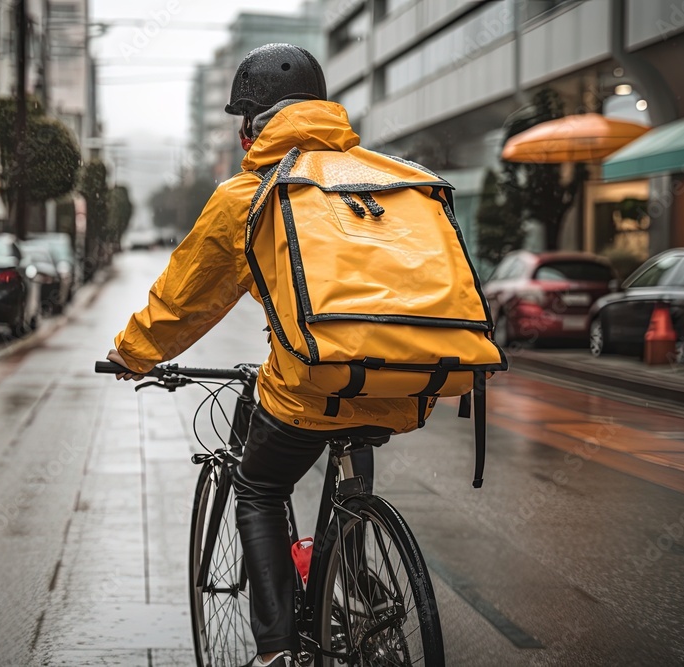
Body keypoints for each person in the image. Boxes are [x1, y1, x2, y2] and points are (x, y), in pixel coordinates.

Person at [107, 43, 438, 667]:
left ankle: (277, 652)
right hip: (404, 380)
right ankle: (358, 579)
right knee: (350, 446)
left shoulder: (252, 195)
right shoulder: (382, 179)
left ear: (248, 126)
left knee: (258, 487)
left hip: (310, 386)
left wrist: (134, 354)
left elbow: (187, 299)